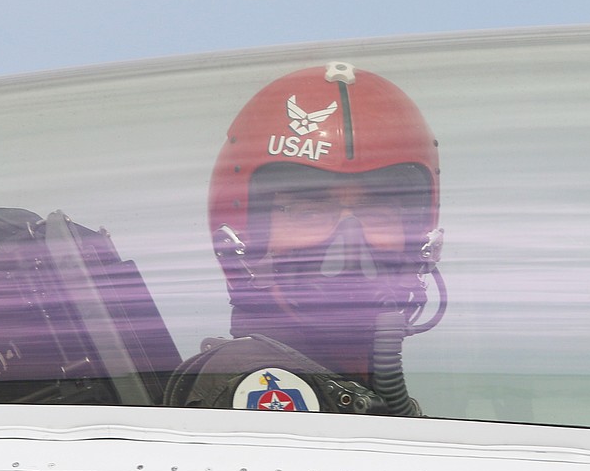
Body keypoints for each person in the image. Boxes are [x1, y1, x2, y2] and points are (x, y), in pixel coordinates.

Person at [162, 62, 445, 414]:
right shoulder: (257, 382)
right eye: (308, 212)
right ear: (240, 241)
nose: (348, 240)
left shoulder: (346, 381)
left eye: (377, 212)